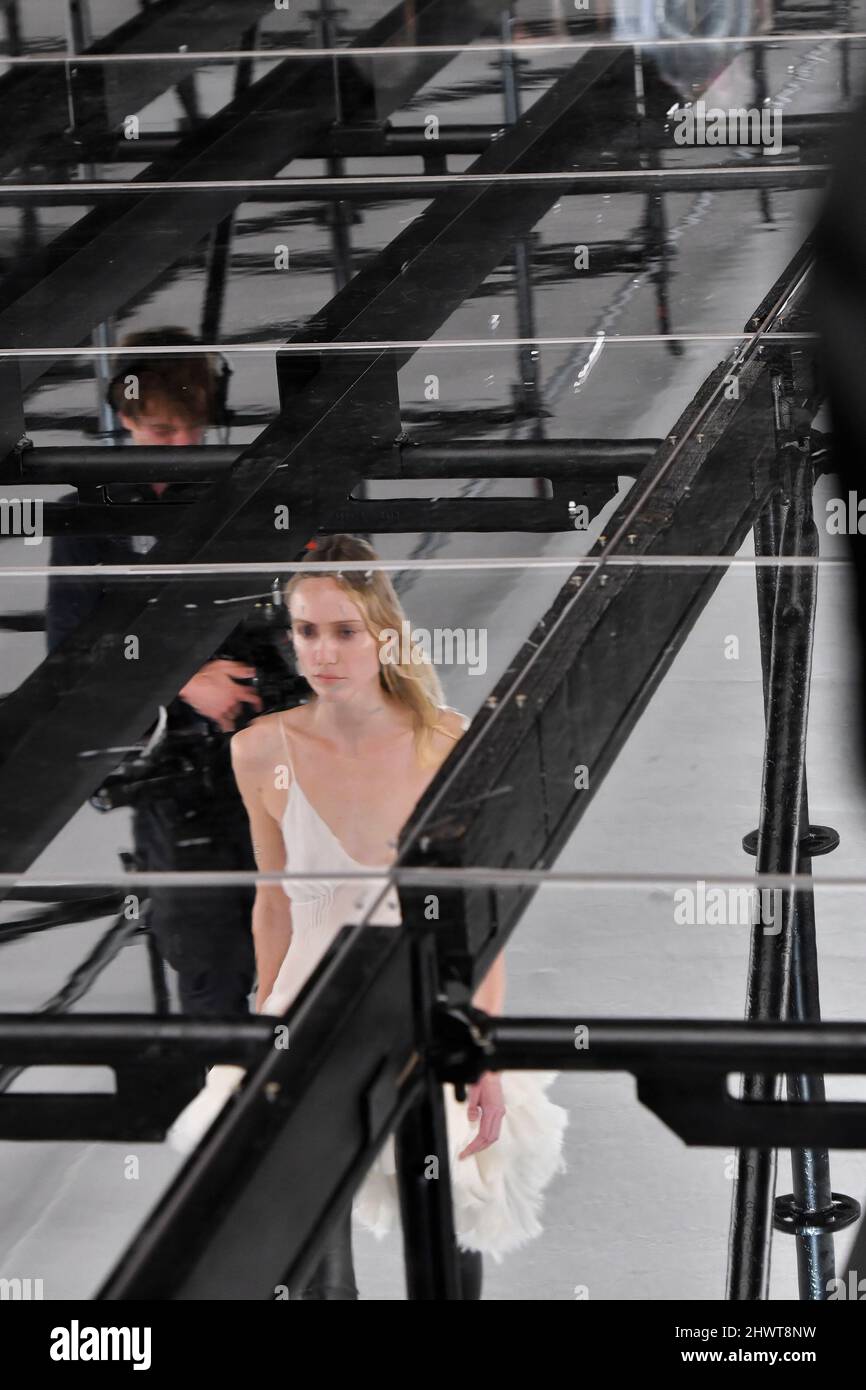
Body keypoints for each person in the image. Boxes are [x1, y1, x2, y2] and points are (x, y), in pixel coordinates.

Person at [168, 534, 568, 1300]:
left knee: (447, 1211)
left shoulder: (444, 742)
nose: (323, 652)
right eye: (307, 631)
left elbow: (477, 910)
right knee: (308, 1233)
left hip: (423, 997)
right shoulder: (259, 750)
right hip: (309, 1004)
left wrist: (480, 1044)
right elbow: (274, 900)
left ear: (383, 634)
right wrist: (264, 1018)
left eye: (345, 631)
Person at [46, 328, 268, 1019]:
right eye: (162, 430)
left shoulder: (241, 493)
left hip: (268, 754)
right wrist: (184, 680)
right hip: (175, 773)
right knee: (209, 961)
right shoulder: (89, 515)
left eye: (192, 430)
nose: (180, 446)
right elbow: (71, 651)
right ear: (126, 417)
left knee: (303, 948)